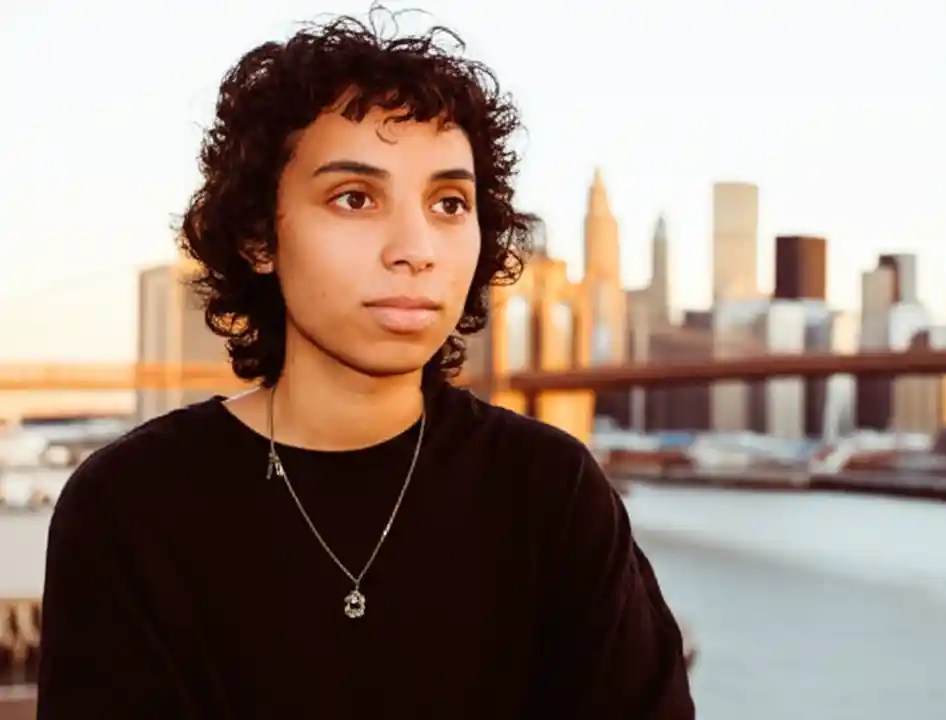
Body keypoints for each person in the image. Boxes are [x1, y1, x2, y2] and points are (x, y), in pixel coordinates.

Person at [37, 9, 695, 719]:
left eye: (448, 202)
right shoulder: (127, 508)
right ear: (260, 237)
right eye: (355, 198)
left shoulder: (553, 493)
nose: (415, 248)